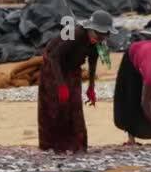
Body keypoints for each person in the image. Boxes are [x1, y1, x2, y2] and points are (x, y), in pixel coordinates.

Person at [38, 10, 117, 153]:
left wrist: (91, 87)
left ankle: (77, 145)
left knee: (75, 106)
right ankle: (54, 146)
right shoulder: (74, 35)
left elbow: (92, 62)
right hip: (53, 67)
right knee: (57, 106)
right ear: (90, 29)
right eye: (96, 34)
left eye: (102, 36)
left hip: (73, 68)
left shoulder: (98, 43)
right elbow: (54, 57)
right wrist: (61, 85)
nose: (98, 38)